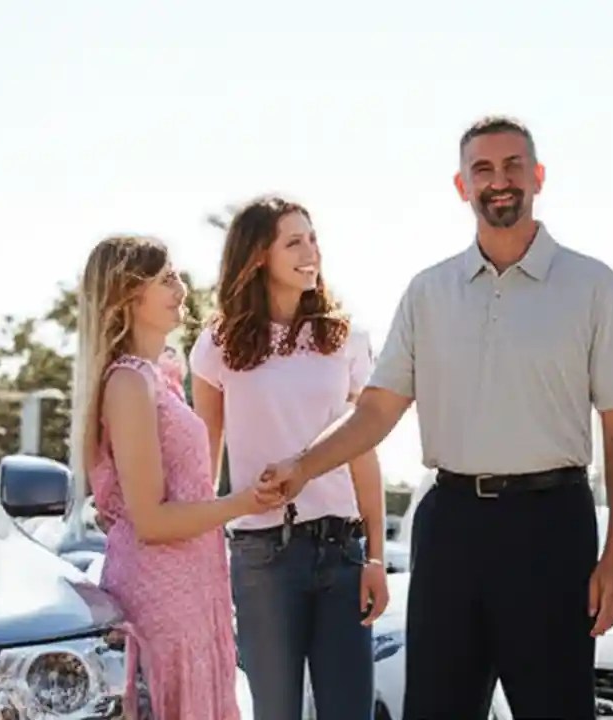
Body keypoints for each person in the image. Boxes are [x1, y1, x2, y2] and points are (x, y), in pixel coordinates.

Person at [258, 116, 613, 719]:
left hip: (552, 529)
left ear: (538, 177)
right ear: (462, 186)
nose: (500, 181)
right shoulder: (427, 291)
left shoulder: (593, 286)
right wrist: (303, 466)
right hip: (452, 528)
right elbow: (377, 409)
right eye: (483, 170)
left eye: (513, 166)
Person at [189, 195, 389, 720]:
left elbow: (362, 446)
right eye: (294, 241)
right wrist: (203, 552)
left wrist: (374, 557)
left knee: (349, 712)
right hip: (262, 558)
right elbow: (202, 464)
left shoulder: (345, 338)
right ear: (259, 255)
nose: (311, 252)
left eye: (313, 238)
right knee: (274, 713)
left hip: (341, 551)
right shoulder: (218, 344)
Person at [71, 233, 271, 720]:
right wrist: (245, 502)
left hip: (192, 591)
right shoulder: (128, 382)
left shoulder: (157, 378)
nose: (181, 288)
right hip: (161, 603)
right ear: (127, 294)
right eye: (166, 279)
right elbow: (152, 521)